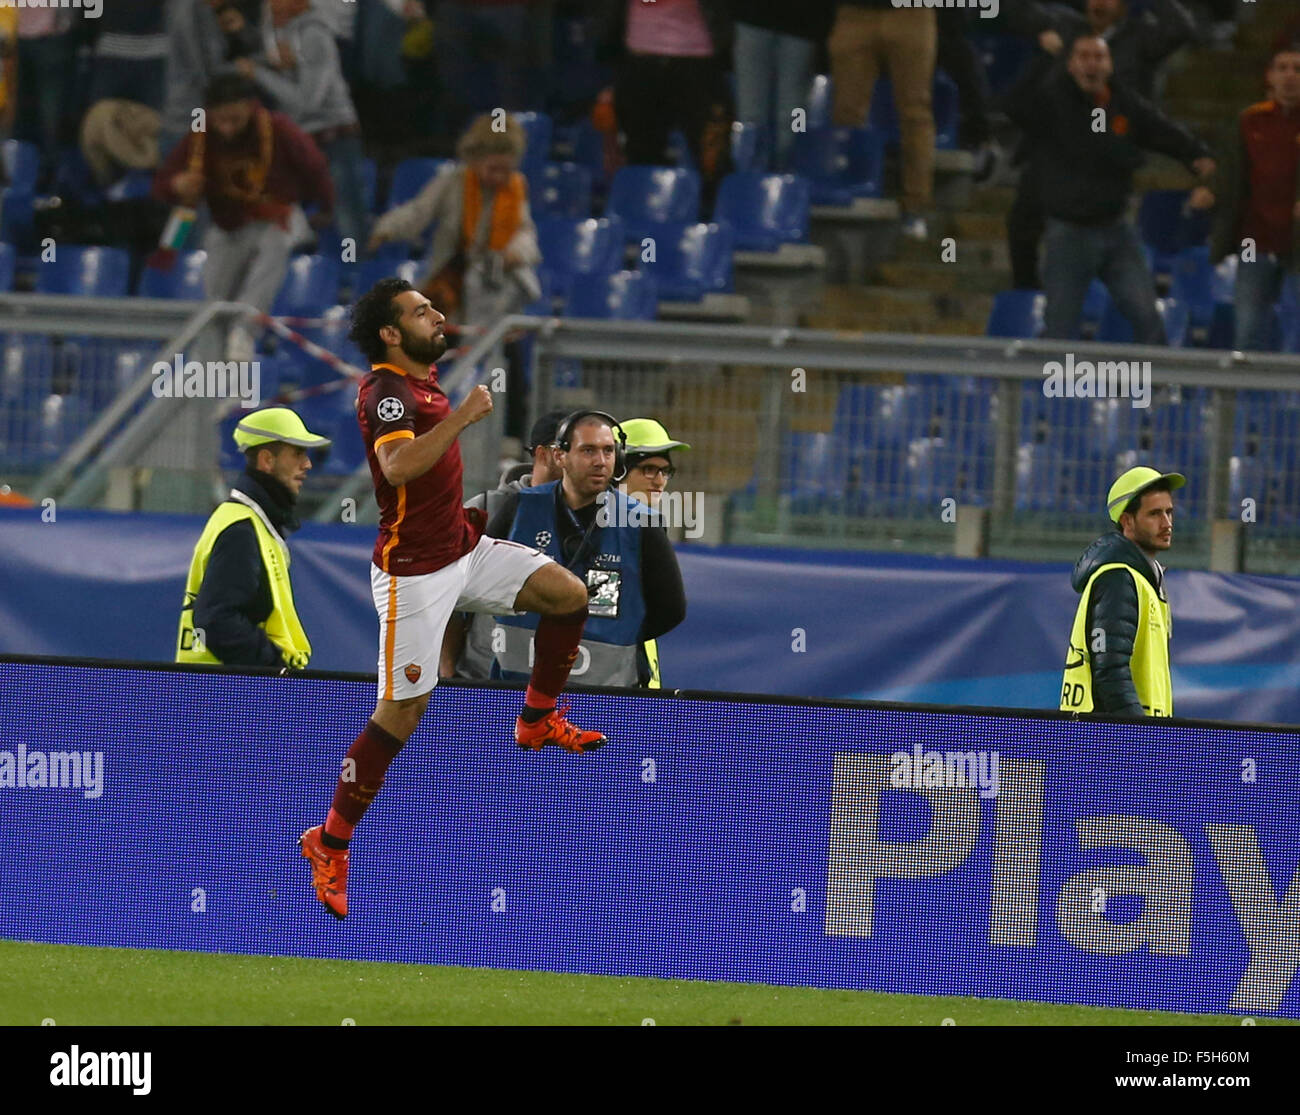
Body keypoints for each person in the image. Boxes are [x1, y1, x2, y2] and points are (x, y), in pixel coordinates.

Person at [300, 279, 606, 921]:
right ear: (390, 333)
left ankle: (536, 718)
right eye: (420, 311)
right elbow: (398, 469)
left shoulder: (424, 379)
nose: (437, 315)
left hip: (461, 550)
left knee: (567, 594)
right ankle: (329, 842)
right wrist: (465, 418)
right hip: (414, 573)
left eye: (435, 306)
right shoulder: (386, 390)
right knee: (402, 712)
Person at [1008, 35, 1214, 342]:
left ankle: (1159, 389)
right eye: (1084, 56)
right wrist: (1044, 60)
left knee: (1147, 315)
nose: (1092, 63)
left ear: (1109, 64)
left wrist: (1196, 154)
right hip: (1068, 232)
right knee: (1060, 325)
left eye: (1099, 57)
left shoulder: (1124, 103)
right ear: (1071, 65)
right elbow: (1014, 105)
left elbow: (1161, 130)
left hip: (1116, 230)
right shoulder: (1051, 101)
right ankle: (1051, 389)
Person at [486, 411, 687, 689]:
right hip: (516, 688)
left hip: (605, 693)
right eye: (588, 450)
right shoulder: (520, 507)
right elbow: (477, 577)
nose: (600, 461)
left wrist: (618, 632)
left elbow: (671, 608)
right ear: (560, 456)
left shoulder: (641, 521)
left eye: (608, 451)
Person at [153, 73, 335, 360]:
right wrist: (177, 185)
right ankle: (209, 350)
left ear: (250, 107)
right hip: (229, 224)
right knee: (217, 289)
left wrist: (324, 209)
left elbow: (316, 168)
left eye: (235, 120)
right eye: (220, 120)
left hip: (278, 215)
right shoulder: (200, 135)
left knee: (277, 243)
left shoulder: (279, 128)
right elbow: (162, 185)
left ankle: (245, 330)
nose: (227, 128)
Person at [177, 407, 330, 669]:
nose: (307, 464)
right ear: (267, 460)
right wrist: (276, 667)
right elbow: (216, 619)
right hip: (230, 694)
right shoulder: (242, 529)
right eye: (297, 453)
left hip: (223, 690)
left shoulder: (250, 521)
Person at [366, 112, 542, 326]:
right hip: (452, 280)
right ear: (474, 159)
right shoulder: (452, 182)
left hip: (495, 284)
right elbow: (418, 212)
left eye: (506, 170)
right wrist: (385, 230)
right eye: (493, 169)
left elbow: (525, 231)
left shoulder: (516, 187)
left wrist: (517, 252)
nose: (499, 177)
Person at [442, 407, 570, 680]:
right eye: (568, 450)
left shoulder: (596, 518)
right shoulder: (486, 509)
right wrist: (447, 673)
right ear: (543, 454)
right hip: (484, 680)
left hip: (564, 682)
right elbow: (443, 596)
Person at [235, 0, 367, 258]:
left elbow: (306, 102)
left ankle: (357, 281)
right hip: (302, 142)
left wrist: (260, 74)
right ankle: (297, 268)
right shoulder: (278, 31)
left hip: (335, 139)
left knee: (348, 222)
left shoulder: (314, 33)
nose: (272, 5)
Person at [1194, 46, 1300, 351]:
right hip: (1254, 240)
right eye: (1282, 68)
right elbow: (1229, 168)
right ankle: (1237, 398)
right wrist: (1211, 190)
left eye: (1297, 68)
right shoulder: (1249, 121)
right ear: (1270, 77)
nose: (1290, 75)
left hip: (1297, 243)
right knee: (1248, 324)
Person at [1060, 466, 1185, 718]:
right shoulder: (1118, 579)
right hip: (1107, 743)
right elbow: (1110, 672)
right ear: (1127, 521)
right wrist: (1137, 736)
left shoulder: (1142, 579)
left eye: (1169, 512)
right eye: (1154, 514)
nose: (1167, 523)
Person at [828, 0, 936, 240]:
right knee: (846, 111)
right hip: (855, 12)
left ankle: (916, 206)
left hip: (912, 12)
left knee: (915, 111)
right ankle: (846, 190)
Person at [617, 417, 691, 689]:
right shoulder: (623, 527)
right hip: (608, 685)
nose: (660, 480)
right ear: (618, 469)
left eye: (665, 471)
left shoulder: (643, 523)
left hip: (635, 682)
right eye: (648, 469)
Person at [732, 1, 835, 170]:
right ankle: (750, 175)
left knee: (796, 111)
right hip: (751, 17)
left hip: (803, 23)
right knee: (750, 114)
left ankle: (792, 168)